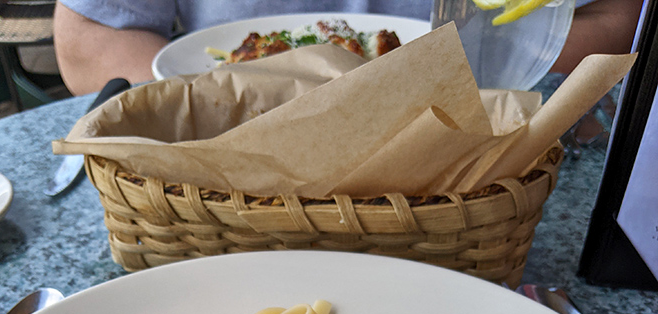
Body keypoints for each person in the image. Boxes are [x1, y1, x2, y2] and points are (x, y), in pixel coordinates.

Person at [53, 0, 644, 96]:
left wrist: (544, 28)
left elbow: (621, 21)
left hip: (459, 170)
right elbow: (87, 43)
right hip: (217, 181)